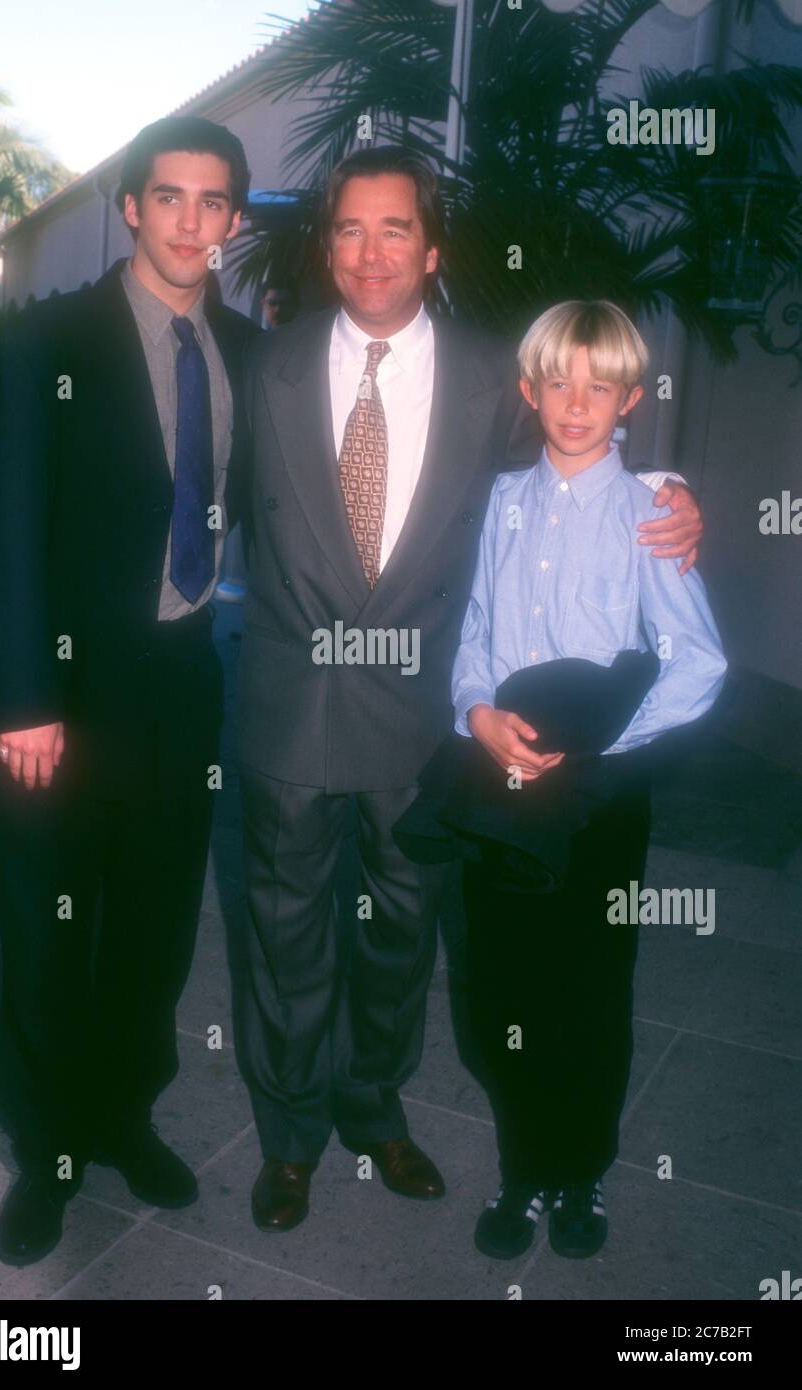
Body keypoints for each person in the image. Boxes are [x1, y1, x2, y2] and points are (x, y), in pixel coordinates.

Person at [236, 147, 704, 1233]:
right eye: (349, 228)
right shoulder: (266, 364)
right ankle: (290, 1136)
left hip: (424, 719)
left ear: (432, 248)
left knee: (404, 931)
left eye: (395, 228)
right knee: (285, 934)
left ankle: (373, 1107)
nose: (369, 252)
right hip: (288, 707)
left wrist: (672, 496)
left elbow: (578, 453)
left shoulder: (498, 372)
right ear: (326, 243)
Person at [0, 115, 258, 1266]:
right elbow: (8, 534)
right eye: (170, 198)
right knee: (47, 927)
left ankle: (123, 1113)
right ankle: (48, 1153)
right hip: (63, 695)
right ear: (130, 206)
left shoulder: (250, 350)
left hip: (181, 680)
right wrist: (24, 696)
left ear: (234, 220)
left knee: (150, 922)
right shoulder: (47, 343)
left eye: (214, 202)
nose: (192, 221)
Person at [451, 300, 727, 1261]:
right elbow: (472, 632)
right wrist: (477, 713)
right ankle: (521, 1170)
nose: (576, 403)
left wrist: (610, 756)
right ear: (529, 392)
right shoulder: (496, 503)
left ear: (629, 400)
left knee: (587, 991)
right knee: (499, 993)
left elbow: (698, 662)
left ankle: (578, 1173)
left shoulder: (649, 509)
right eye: (557, 383)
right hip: (499, 784)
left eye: (597, 386)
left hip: (598, 797)